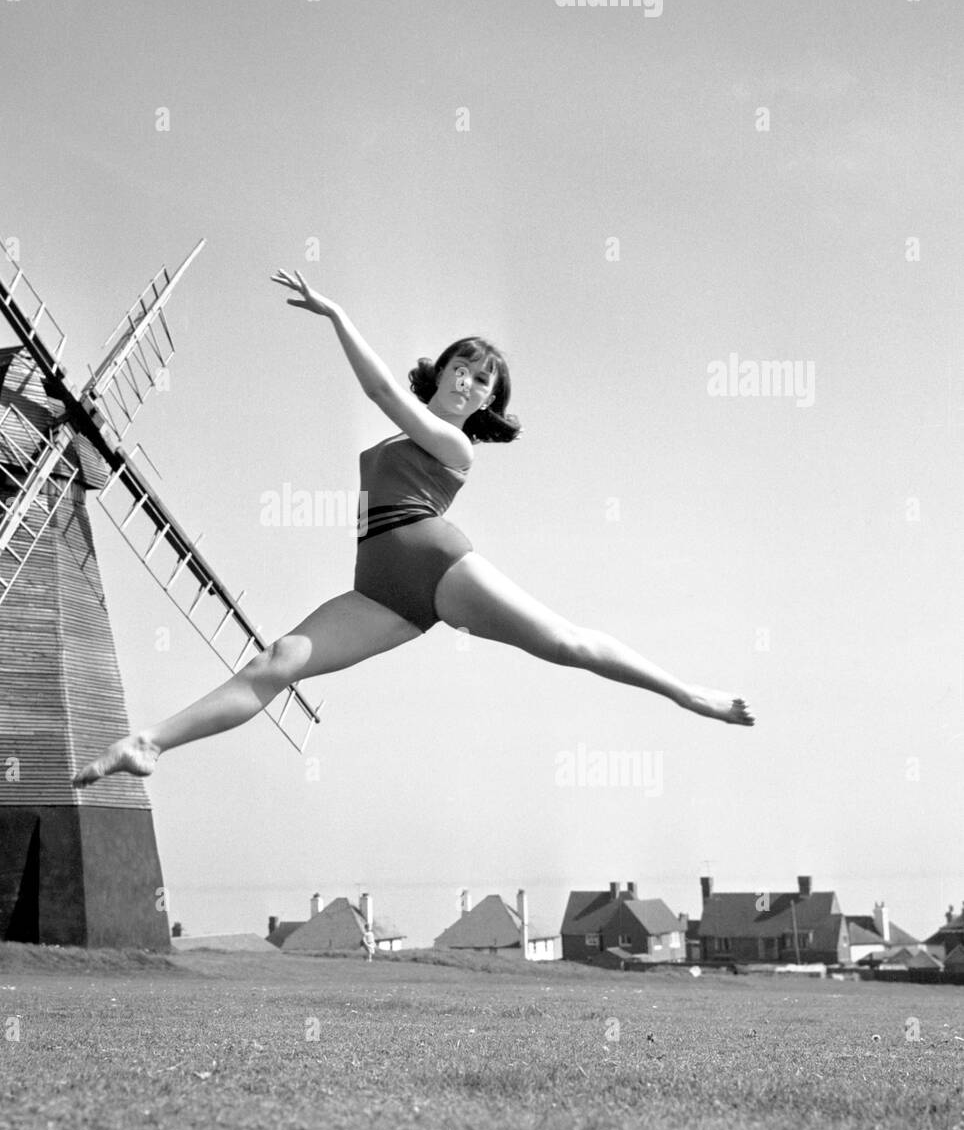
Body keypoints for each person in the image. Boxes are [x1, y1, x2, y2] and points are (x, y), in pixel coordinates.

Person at [73, 270, 753, 786]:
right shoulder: (411, 431)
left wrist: (336, 314)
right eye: (464, 367)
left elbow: (381, 394)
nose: (469, 383)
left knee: (564, 643)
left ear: (487, 402)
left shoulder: (454, 445)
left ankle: (688, 693)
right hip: (378, 589)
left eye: (483, 382)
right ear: (444, 367)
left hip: (436, 565)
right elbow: (393, 408)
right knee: (276, 661)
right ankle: (150, 742)